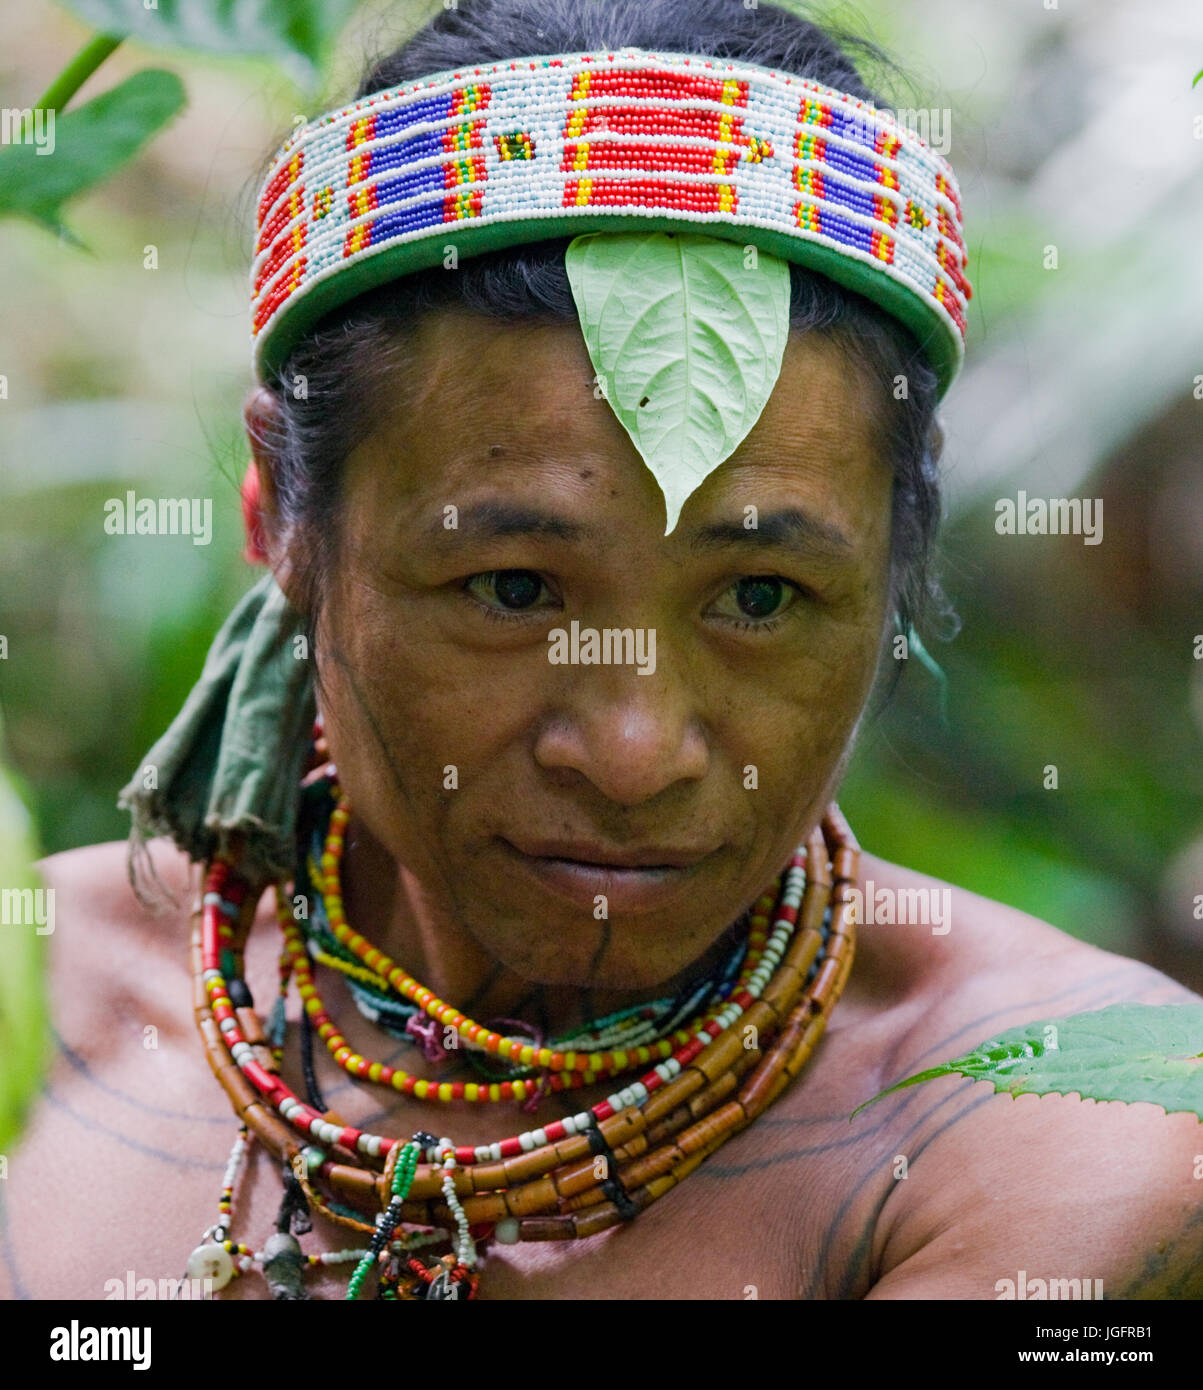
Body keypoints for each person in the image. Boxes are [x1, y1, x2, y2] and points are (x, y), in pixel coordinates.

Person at [4, 0, 1202, 1302]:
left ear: (893, 573)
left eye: (759, 596)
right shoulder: (37, 1006)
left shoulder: (1061, 1127)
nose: (635, 751)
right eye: (514, 585)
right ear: (281, 522)